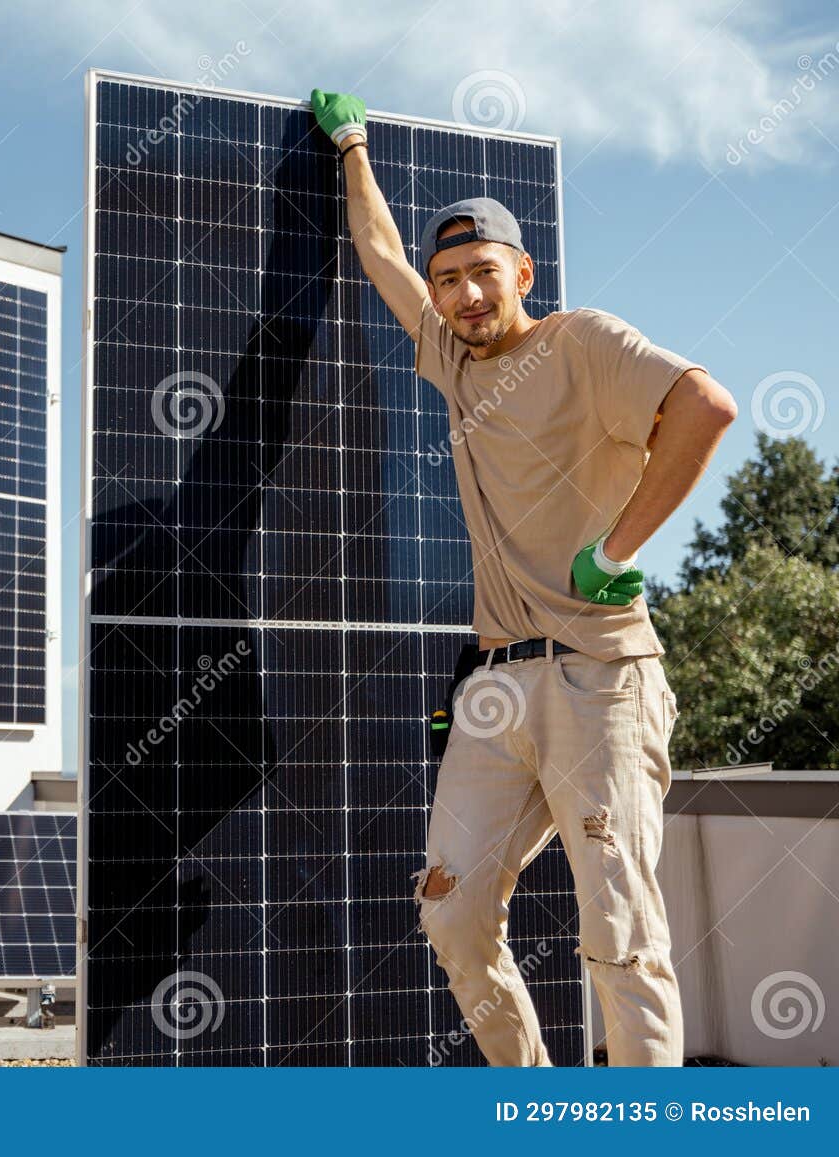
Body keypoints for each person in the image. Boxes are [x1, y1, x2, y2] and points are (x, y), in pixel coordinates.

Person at [310, 89, 738, 1066]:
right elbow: (379, 253)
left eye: (481, 273)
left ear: (523, 273)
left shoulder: (580, 341)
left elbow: (705, 406)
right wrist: (351, 146)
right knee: (451, 911)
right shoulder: (452, 366)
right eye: (448, 277)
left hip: (601, 676)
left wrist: (616, 546)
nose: (463, 293)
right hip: (498, 684)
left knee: (617, 930)